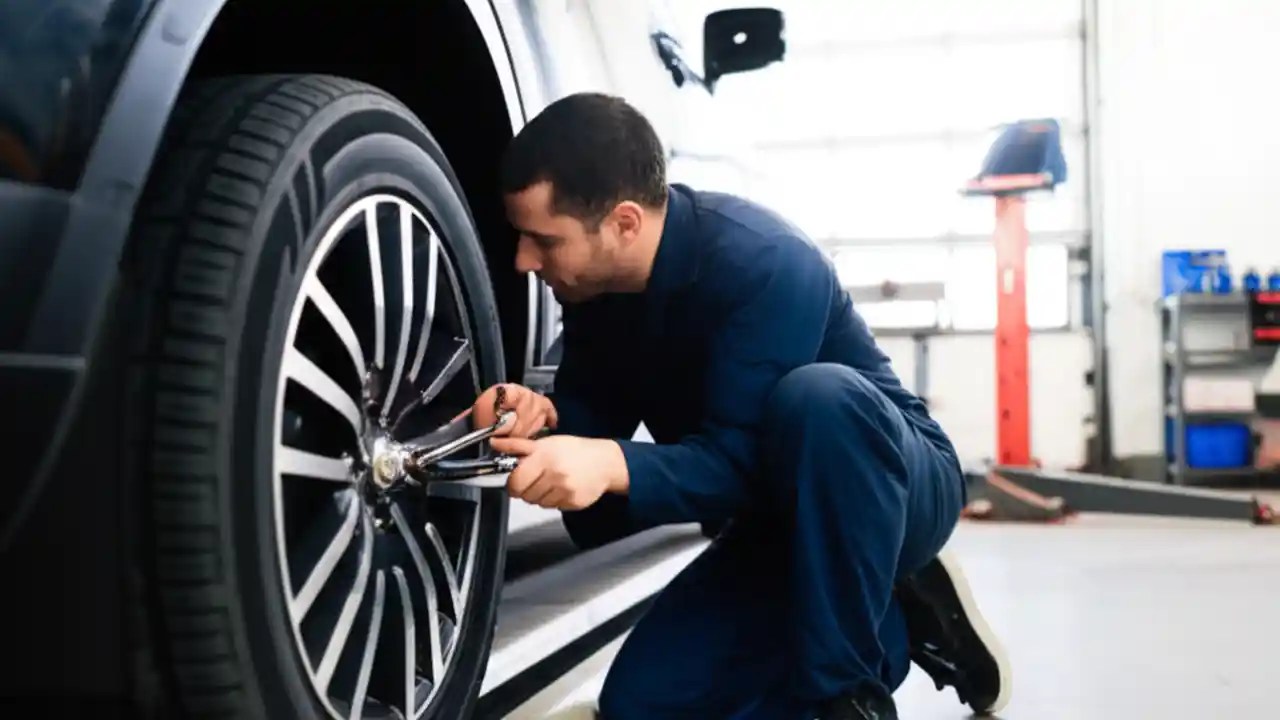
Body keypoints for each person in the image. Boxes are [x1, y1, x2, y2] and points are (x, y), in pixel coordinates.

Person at [467, 92, 1011, 720]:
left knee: (818, 399)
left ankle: (849, 692)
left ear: (622, 224)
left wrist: (612, 466)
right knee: (639, 705)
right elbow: (596, 419)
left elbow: (739, 461)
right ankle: (893, 597)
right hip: (772, 512)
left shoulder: (767, 262)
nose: (522, 261)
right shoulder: (598, 285)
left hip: (894, 476)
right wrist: (537, 417)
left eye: (543, 240)